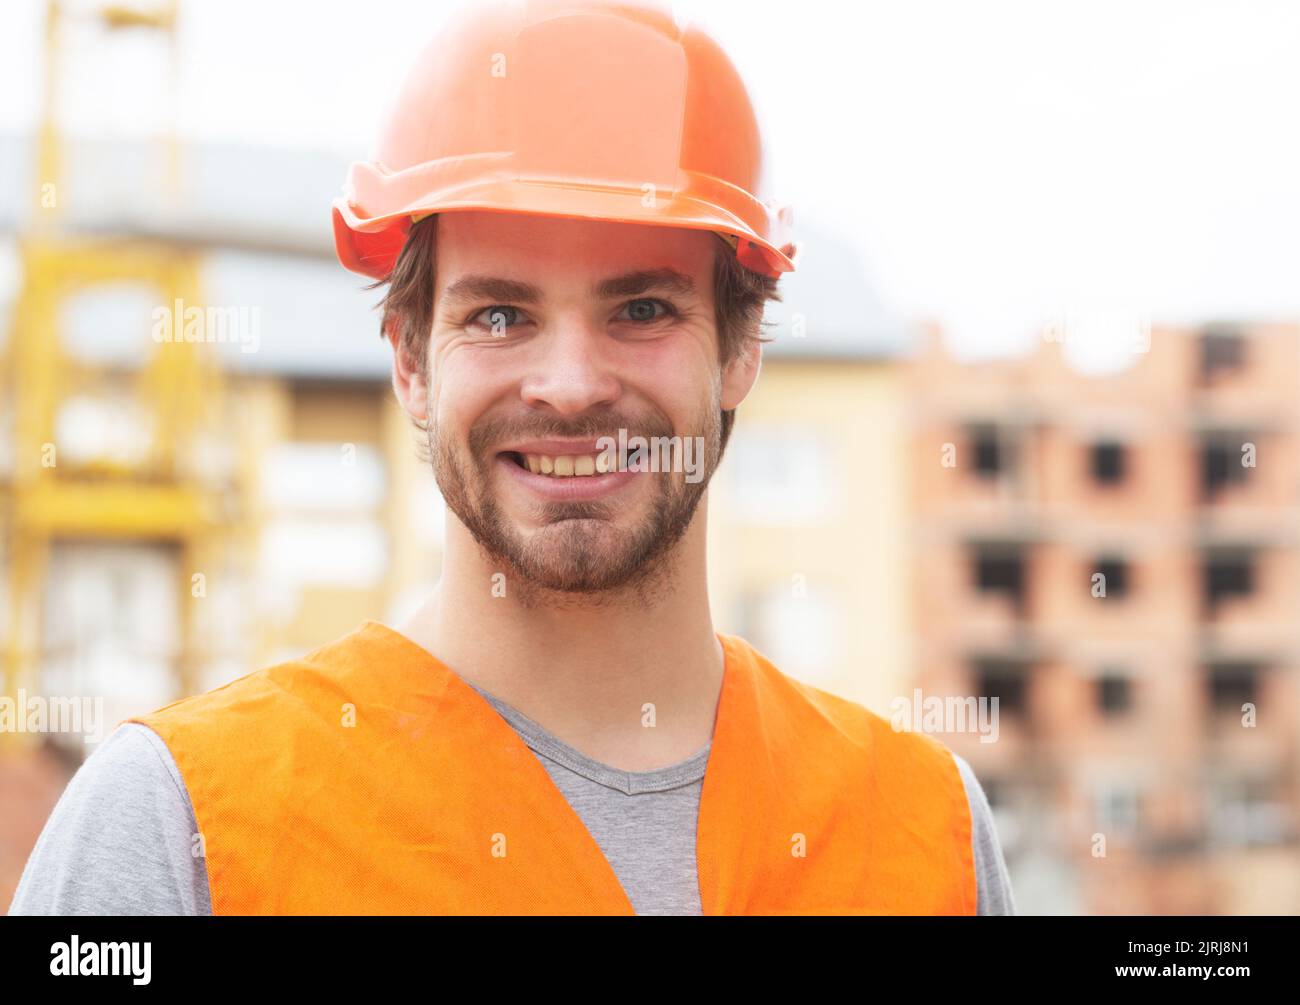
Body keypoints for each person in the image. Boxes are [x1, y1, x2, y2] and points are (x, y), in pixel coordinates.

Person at [10, 0, 1014, 916]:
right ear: (409, 360)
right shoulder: (182, 830)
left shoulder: (923, 834)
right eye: (498, 313)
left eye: (641, 308)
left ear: (741, 346)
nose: (569, 384)